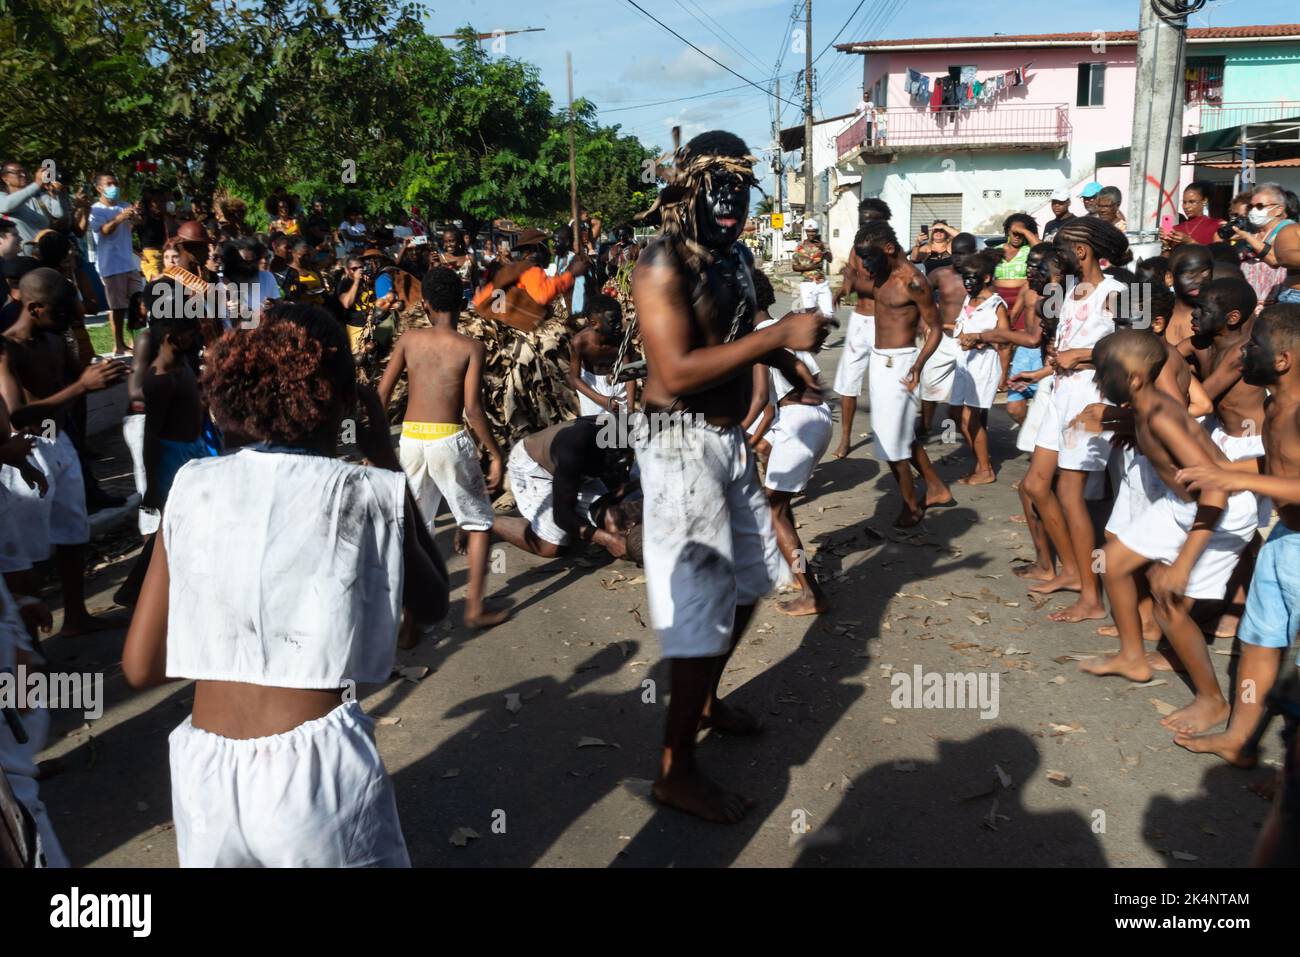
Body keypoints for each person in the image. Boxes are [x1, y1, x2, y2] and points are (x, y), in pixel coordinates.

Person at [122, 304, 449, 867]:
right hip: (314, 766)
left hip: (204, 769)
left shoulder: (192, 486)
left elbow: (140, 667)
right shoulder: (367, 489)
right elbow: (436, 601)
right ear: (347, 400)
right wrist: (381, 453)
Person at [631, 130, 828, 822]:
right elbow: (677, 369)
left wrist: (786, 365)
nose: (729, 206)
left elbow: (739, 329)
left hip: (728, 442)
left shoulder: (738, 256)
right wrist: (776, 340)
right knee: (697, 610)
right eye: (716, 191)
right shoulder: (658, 262)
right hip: (678, 444)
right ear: (686, 192)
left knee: (753, 578)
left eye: (739, 192)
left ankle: (705, 696)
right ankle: (673, 769)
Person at [1078, 330, 1257, 735]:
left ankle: (1212, 700)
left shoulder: (1160, 413)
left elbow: (1216, 489)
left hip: (1219, 514)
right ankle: (1132, 657)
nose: (1097, 380)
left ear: (1136, 379)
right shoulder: (1143, 409)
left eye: (1104, 372)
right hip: (1183, 506)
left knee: (1167, 600)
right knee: (1114, 560)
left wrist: (1184, 562)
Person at [1175, 304, 1300, 763]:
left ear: (1282, 360)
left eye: (1255, 345)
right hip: (1285, 541)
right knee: (1260, 643)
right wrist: (1223, 469)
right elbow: (1279, 464)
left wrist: (1240, 480)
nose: (1244, 351)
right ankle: (1239, 739)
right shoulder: (1273, 404)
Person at [378, 266, 507, 630]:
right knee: (479, 523)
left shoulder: (408, 340)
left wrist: (373, 445)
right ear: (463, 303)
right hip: (449, 439)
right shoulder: (471, 348)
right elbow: (473, 410)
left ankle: (409, 621)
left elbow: (382, 395)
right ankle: (474, 609)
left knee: (415, 529)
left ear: (426, 304)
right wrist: (495, 453)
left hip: (412, 440)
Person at [1, 268, 129, 634]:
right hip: (28, 451)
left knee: (73, 534)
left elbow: (73, 381)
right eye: (61, 314)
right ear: (34, 307)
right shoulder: (7, 349)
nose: (68, 321)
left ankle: (76, 616)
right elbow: (16, 416)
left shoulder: (55, 339)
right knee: (30, 550)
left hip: (61, 443)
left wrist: (99, 375)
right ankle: (27, 632)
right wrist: (79, 388)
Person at [1020, 217, 1128, 623]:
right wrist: (1046, 370)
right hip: (1061, 394)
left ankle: (1091, 596)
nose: (1055, 256)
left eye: (1062, 248)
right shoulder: (1070, 292)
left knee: (1070, 493)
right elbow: (1066, 345)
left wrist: (1081, 357)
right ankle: (1070, 570)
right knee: (1034, 484)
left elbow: (1143, 345)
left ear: (1081, 252)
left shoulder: (1122, 290)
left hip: (1091, 398)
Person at [853, 220, 954, 526]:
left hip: (901, 364)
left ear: (889, 249)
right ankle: (937, 488)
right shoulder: (880, 275)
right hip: (880, 360)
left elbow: (935, 328)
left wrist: (918, 366)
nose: (866, 265)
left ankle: (912, 507)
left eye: (869, 257)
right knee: (901, 436)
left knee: (891, 440)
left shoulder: (914, 282)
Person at [745, 270, 833, 616]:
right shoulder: (780, 326)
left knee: (773, 509)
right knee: (778, 503)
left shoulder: (759, 338)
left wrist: (736, 434)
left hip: (799, 423)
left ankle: (811, 592)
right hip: (813, 418)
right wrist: (756, 439)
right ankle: (799, 577)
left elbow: (760, 401)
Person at [830, 199, 893, 458]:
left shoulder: (891, 252)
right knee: (848, 383)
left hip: (884, 323)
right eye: (863, 220)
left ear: (884, 221)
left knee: (884, 385)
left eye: (872, 221)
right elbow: (850, 281)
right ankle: (844, 438)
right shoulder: (858, 249)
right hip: (859, 319)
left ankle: (890, 436)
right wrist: (841, 290)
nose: (866, 225)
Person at [951, 250, 1009, 484]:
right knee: (955, 412)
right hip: (964, 365)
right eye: (964, 276)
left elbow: (1005, 340)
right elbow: (961, 327)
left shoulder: (996, 304)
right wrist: (963, 335)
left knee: (970, 418)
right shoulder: (969, 299)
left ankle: (985, 469)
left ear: (985, 278)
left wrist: (980, 338)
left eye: (972, 277)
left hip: (984, 366)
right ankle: (981, 458)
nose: (967, 282)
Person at [919, 232, 977, 435]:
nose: (958, 259)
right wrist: (924, 321)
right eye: (955, 254)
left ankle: (964, 428)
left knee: (965, 389)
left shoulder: (980, 276)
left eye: (964, 254)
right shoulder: (940, 274)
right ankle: (925, 425)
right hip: (943, 338)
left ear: (974, 253)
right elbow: (921, 296)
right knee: (929, 382)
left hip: (969, 340)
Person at [87, 172, 143, 354]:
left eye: (115, 183)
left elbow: (134, 226)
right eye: (109, 183)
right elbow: (105, 231)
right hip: (110, 265)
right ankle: (119, 344)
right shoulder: (95, 210)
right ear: (99, 188)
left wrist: (135, 217)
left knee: (138, 304)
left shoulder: (124, 205)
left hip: (128, 262)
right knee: (117, 307)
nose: (114, 187)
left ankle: (136, 341)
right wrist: (119, 217)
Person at [1229, 182, 1299, 305]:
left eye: (1260, 206)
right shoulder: (1252, 230)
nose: (1254, 210)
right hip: (1249, 300)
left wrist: (1248, 237)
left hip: (1274, 300)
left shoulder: (1287, 229)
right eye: (1251, 207)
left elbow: (1276, 259)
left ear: (1279, 209)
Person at [568, 293, 636, 416]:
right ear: (594, 324)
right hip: (592, 386)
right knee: (596, 428)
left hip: (617, 381)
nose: (619, 326)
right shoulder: (580, 342)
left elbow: (629, 374)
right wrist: (602, 400)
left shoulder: (621, 339)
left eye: (619, 320)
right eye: (612, 322)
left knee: (626, 425)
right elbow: (574, 378)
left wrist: (631, 408)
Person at [0, 162, 69, 252]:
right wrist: (37, 184)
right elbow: (7, 206)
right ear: (5, 178)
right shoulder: (3, 198)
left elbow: (59, 215)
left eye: (24, 171)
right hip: (21, 259)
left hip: (45, 255)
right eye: (18, 172)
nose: (23, 174)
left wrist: (57, 194)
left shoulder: (38, 197)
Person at [994, 214, 1039, 331]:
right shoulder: (996, 250)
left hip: (1022, 300)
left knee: (1020, 336)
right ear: (1008, 231)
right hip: (998, 301)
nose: (1017, 237)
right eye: (1014, 232)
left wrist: (1023, 231)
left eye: (1021, 234)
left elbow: (1043, 249)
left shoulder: (1029, 250)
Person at [1165, 243, 1212, 345]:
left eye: (1205, 273)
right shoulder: (1155, 311)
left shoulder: (1216, 319)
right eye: (1189, 274)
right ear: (1170, 277)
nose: (1199, 280)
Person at [1163, 180, 1224, 248]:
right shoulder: (1176, 230)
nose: (1186, 206)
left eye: (1192, 202)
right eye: (1184, 202)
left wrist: (1190, 242)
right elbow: (1168, 257)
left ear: (1204, 201)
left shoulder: (1217, 225)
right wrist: (1166, 245)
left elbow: (1218, 254)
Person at [792, 222, 833, 317]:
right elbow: (794, 267)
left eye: (813, 231)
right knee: (809, 314)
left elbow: (830, 260)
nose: (811, 233)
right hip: (807, 284)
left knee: (828, 314)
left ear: (817, 231)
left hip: (822, 283)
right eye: (809, 231)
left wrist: (823, 249)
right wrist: (810, 267)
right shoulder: (800, 247)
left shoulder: (823, 244)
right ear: (805, 231)